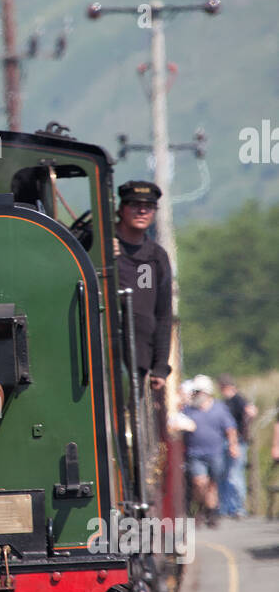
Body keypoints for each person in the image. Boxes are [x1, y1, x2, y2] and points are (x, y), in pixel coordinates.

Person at [115, 181, 172, 395]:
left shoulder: (156, 257)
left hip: (139, 357)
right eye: (134, 204)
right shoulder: (99, 245)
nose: (141, 210)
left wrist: (160, 366)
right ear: (121, 209)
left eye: (148, 206)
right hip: (101, 353)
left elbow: (163, 315)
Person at [183, 375, 238, 527]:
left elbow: (230, 428)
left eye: (198, 392)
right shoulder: (189, 409)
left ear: (207, 392)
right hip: (195, 453)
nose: (196, 395)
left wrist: (233, 445)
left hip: (215, 452)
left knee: (212, 484)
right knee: (199, 482)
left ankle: (211, 511)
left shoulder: (219, 408)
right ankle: (201, 508)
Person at [217, 375, 257, 517]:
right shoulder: (228, 401)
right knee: (227, 474)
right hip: (230, 440)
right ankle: (228, 506)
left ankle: (237, 506)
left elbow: (250, 412)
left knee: (234, 474)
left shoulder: (238, 400)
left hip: (237, 440)